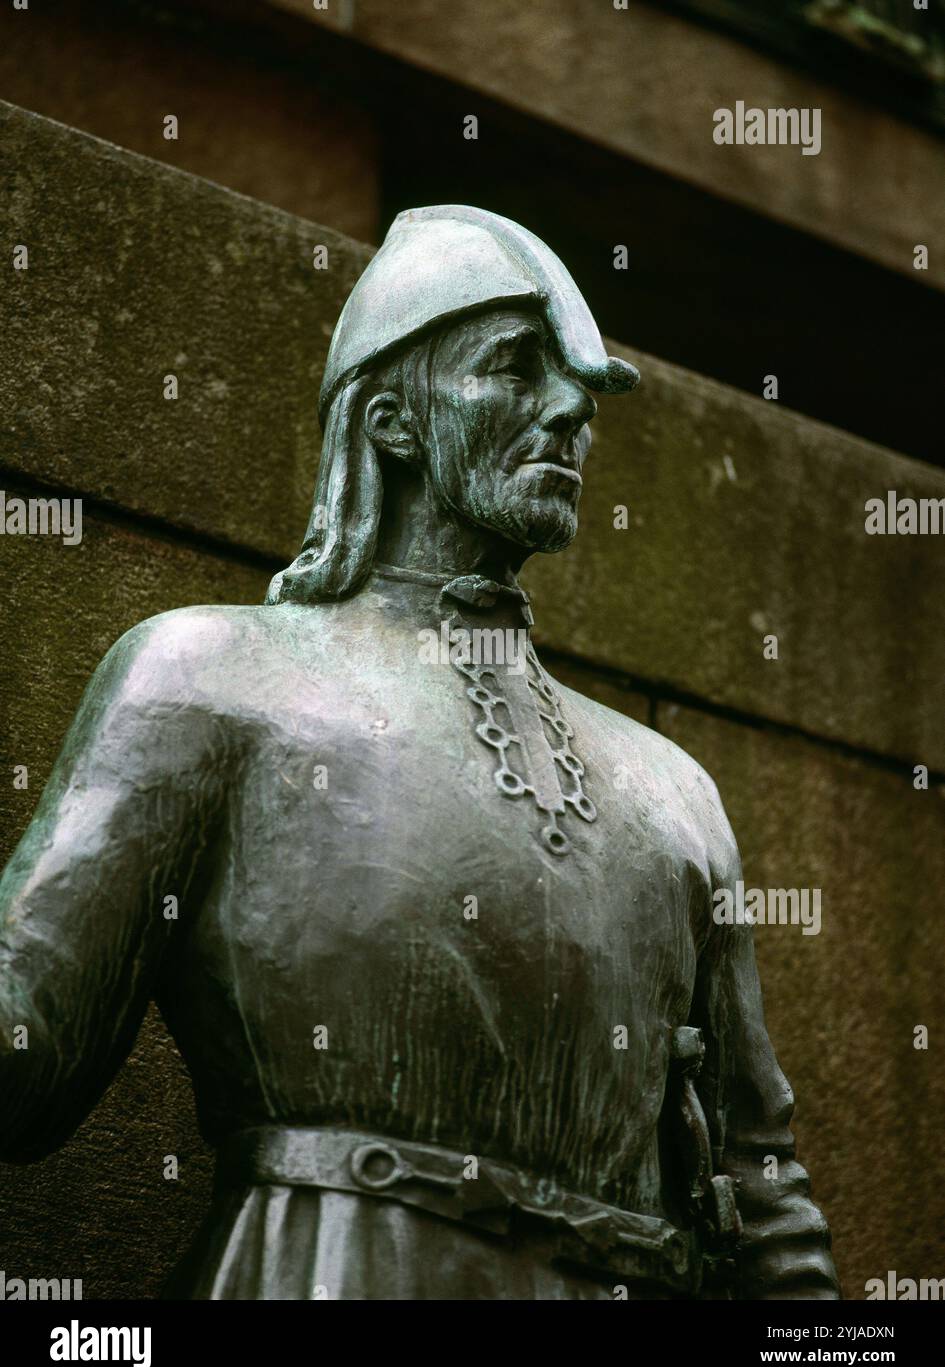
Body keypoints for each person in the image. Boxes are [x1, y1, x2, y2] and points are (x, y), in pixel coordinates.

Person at [0, 206, 839, 1300]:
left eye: (579, 390)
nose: (571, 411)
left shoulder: (671, 788)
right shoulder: (205, 677)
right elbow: (26, 1056)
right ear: (393, 419)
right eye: (513, 369)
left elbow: (762, 1190)